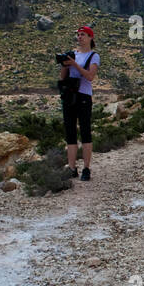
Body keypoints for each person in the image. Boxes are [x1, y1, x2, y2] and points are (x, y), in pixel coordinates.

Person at [59, 26, 100, 181]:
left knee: (85, 131)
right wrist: (65, 64)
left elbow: (90, 76)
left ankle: (87, 168)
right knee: (70, 132)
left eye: (83, 35)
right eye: (78, 35)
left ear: (90, 37)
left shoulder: (94, 56)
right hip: (69, 96)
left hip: (83, 96)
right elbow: (63, 77)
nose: (79, 37)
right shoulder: (72, 54)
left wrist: (75, 64)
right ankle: (71, 168)